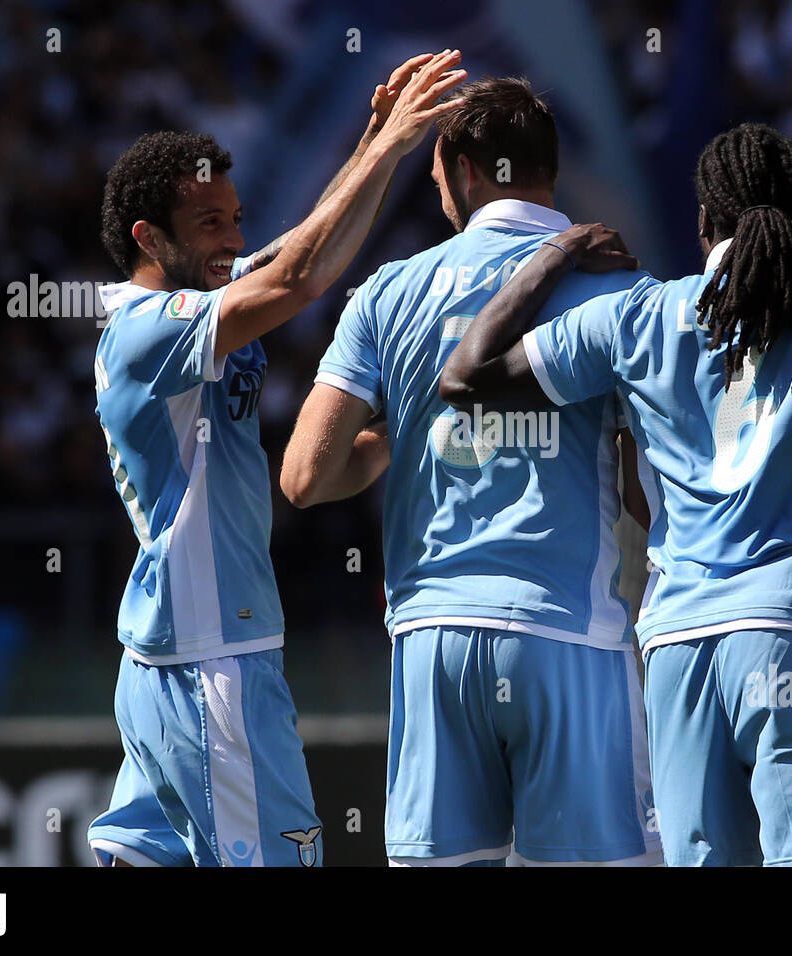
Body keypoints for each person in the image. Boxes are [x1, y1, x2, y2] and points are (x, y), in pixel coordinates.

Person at [440, 122, 792, 866]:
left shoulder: (634, 315)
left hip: (679, 647)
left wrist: (554, 255)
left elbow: (463, 378)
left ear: (703, 219)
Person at [86, 51, 467, 867]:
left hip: (173, 658)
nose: (235, 240)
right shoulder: (148, 330)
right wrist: (393, 148)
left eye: (235, 216)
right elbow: (300, 279)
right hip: (211, 664)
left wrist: (369, 139)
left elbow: (298, 248)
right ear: (149, 239)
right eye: (211, 225)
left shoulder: (199, 303)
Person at [281, 77, 660, 867]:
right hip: (567, 634)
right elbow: (644, 496)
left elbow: (305, 477)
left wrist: (415, 425)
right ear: (549, 170)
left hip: (433, 637)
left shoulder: (389, 291)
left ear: (460, 167)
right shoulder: (624, 290)